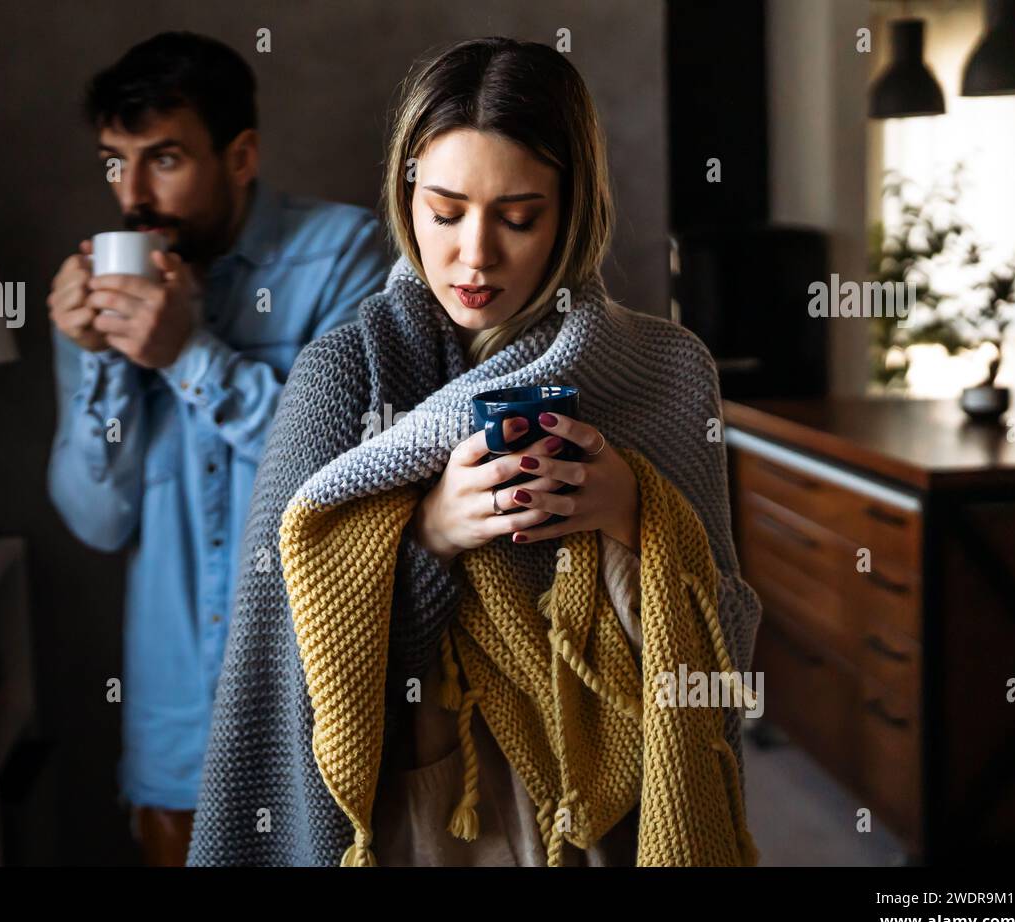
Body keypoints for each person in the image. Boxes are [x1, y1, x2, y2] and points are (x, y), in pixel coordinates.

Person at [188, 37, 763, 867]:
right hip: (435, 820)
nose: (476, 254)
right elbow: (286, 679)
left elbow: (728, 647)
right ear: (406, 195)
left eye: (519, 216)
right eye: (446, 212)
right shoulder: (345, 376)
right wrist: (430, 538)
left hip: (617, 826)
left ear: (575, 210)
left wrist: (636, 516)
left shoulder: (667, 372)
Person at [45, 31, 389, 865]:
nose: (131, 194)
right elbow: (97, 521)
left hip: (317, 713)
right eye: (113, 161)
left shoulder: (345, 255)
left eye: (163, 158)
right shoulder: (99, 293)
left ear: (241, 156)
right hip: (174, 729)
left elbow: (355, 470)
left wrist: (189, 357)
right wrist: (100, 365)